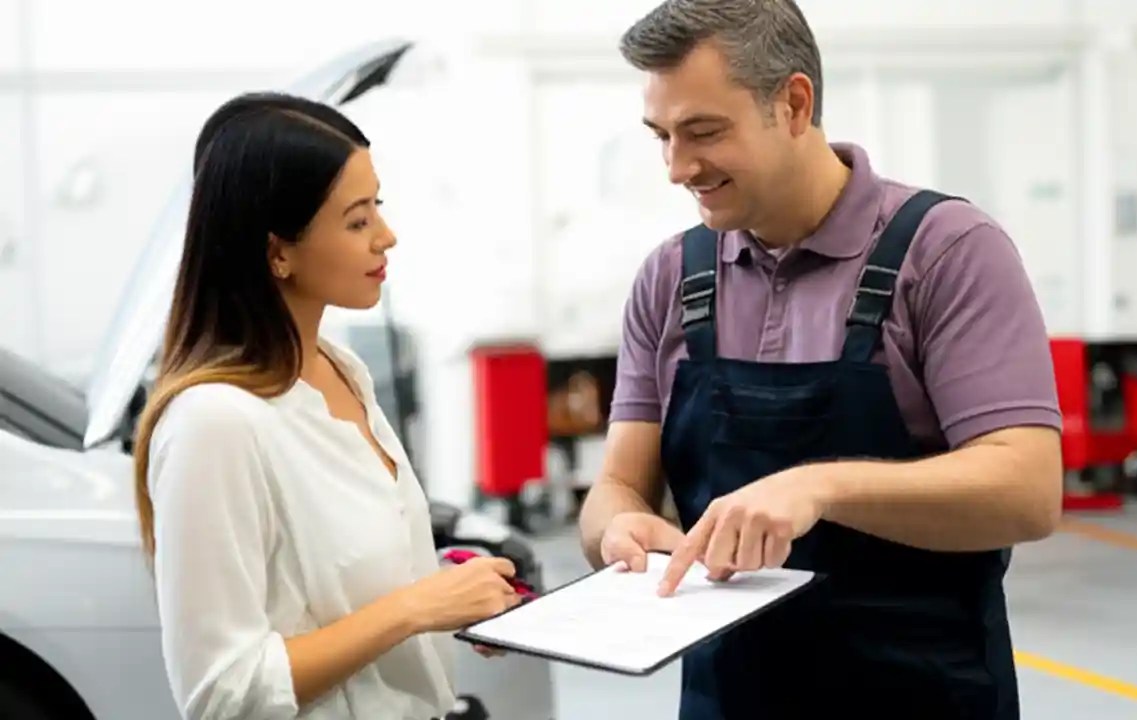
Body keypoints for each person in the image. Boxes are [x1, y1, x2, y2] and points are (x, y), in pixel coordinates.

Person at [576, 1, 1064, 718]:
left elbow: (1027, 488)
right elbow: (615, 487)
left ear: (794, 103)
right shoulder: (672, 278)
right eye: (663, 136)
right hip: (727, 700)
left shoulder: (947, 253)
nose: (678, 168)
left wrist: (819, 489)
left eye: (704, 132)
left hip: (925, 699)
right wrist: (616, 529)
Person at [132, 92, 520, 720]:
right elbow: (222, 694)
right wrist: (418, 609)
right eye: (357, 220)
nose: (386, 237)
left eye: (379, 209)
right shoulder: (215, 424)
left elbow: (336, 577)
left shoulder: (341, 370)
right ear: (277, 251)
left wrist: (451, 585)